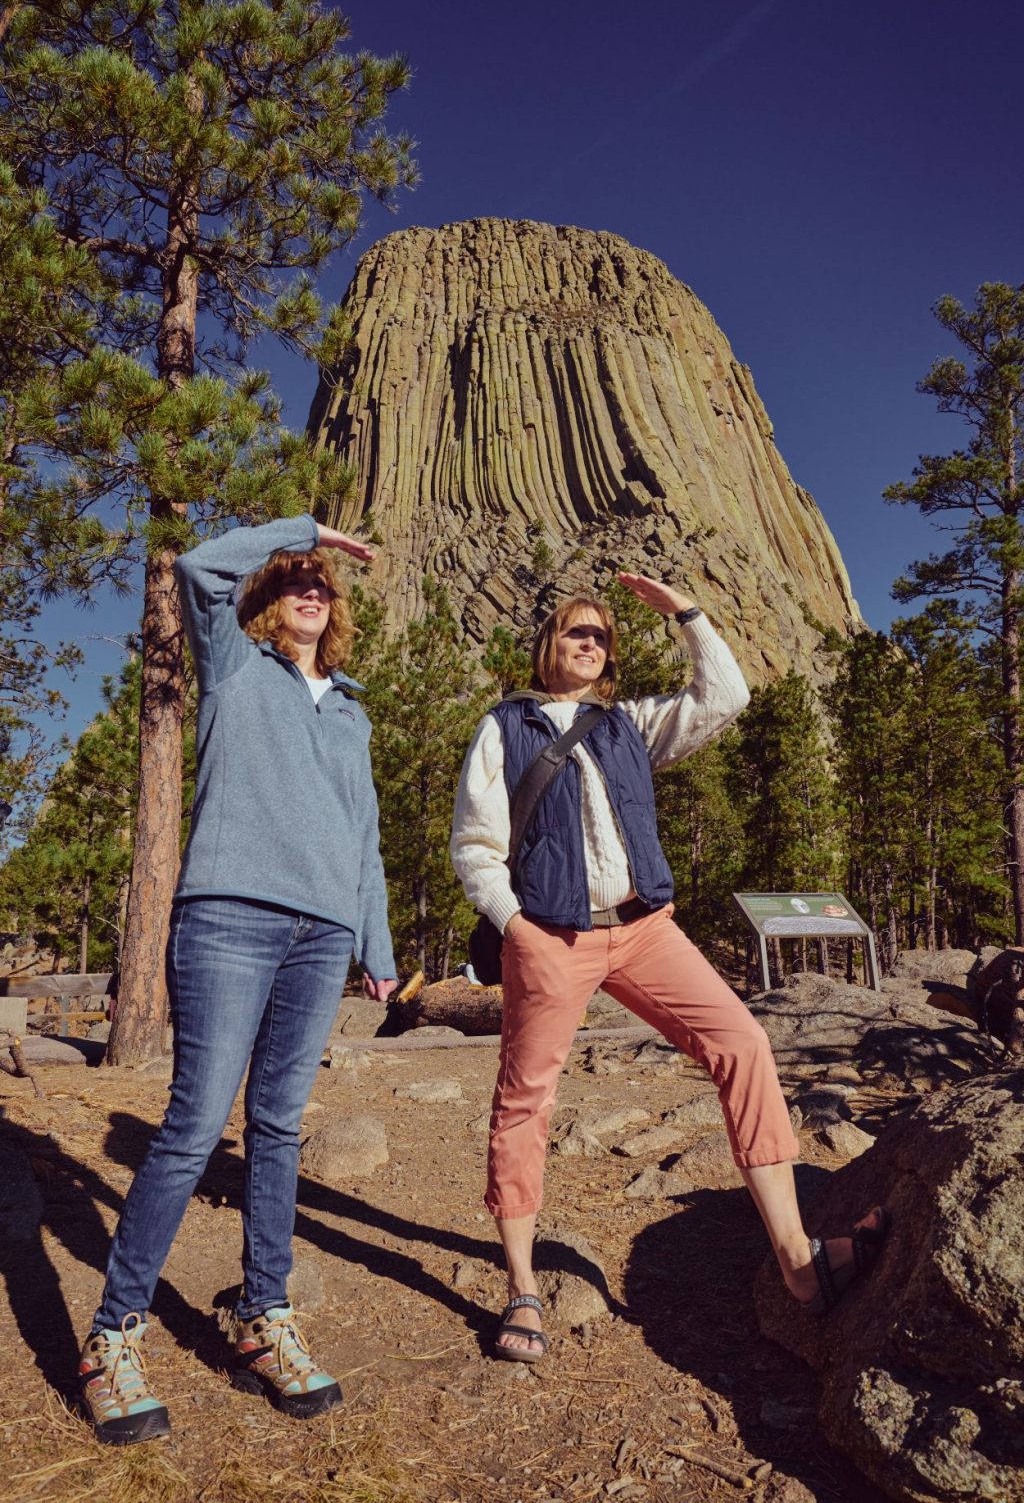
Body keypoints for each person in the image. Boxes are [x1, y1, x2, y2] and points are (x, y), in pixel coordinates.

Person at [450, 576, 888, 1361]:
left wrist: (686, 614)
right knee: (526, 1102)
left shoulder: (629, 725)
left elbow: (726, 696)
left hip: (645, 930)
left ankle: (797, 1260)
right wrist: (515, 926)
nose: (591, 644)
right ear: (548, 644)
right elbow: (475, 847)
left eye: (603, 638)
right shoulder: (504, 728)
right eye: (577, 632)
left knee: (744, 1046)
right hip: (553, 936)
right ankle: (521, 1288)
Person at [78, 515, 398, 1443]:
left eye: (323, 584)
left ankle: (266, 1313)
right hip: (227, 917)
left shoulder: (351, 709)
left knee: (277, 1127)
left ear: (334, 613)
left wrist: (373, 942)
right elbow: (197, 565)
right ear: (269, 594)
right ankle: (112, 1337)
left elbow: (363, 837)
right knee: (190, 1125)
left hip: (321, 932)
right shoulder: (233, 662)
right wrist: (313, 532)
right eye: (297, 577)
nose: (311, 587)